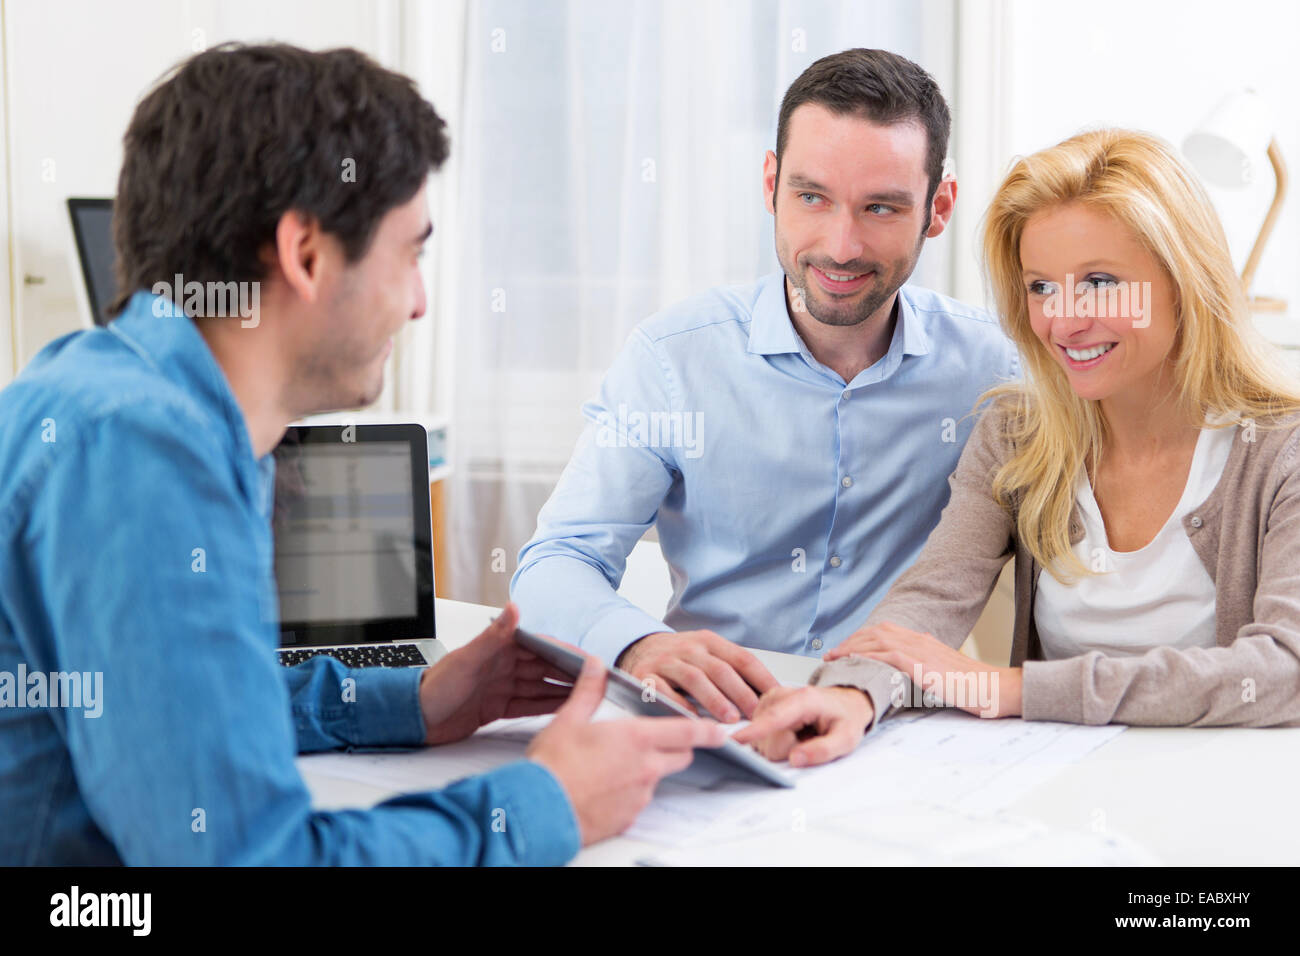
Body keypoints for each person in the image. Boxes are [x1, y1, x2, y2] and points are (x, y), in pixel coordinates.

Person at [0, 43, 726, 866]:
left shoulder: (121, 397)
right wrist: (540, 807)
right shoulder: (141, 454)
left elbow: (182, 709)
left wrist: (409, 703)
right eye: (411, 251)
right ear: (306, 255)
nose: (419, 303)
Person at [737, 128, 1300, 767]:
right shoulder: (1016, 432)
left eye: (1101, 282)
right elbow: (934, 597)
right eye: (1040, 287)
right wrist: (851, 695)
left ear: (1183, 282)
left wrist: (1011, 688)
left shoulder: (1279, 453)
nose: (1064, 320)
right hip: (1046, 786)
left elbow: (1284, 668)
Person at [511, 48, 1019, 725]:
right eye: (812, 197)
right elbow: (556, 561)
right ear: (770, 184)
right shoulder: (672, 363)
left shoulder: (996, 372)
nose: (841, 245)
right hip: (714, 720)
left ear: (939, 206)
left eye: (881, 208)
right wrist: (638, 648)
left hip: (903, 730)